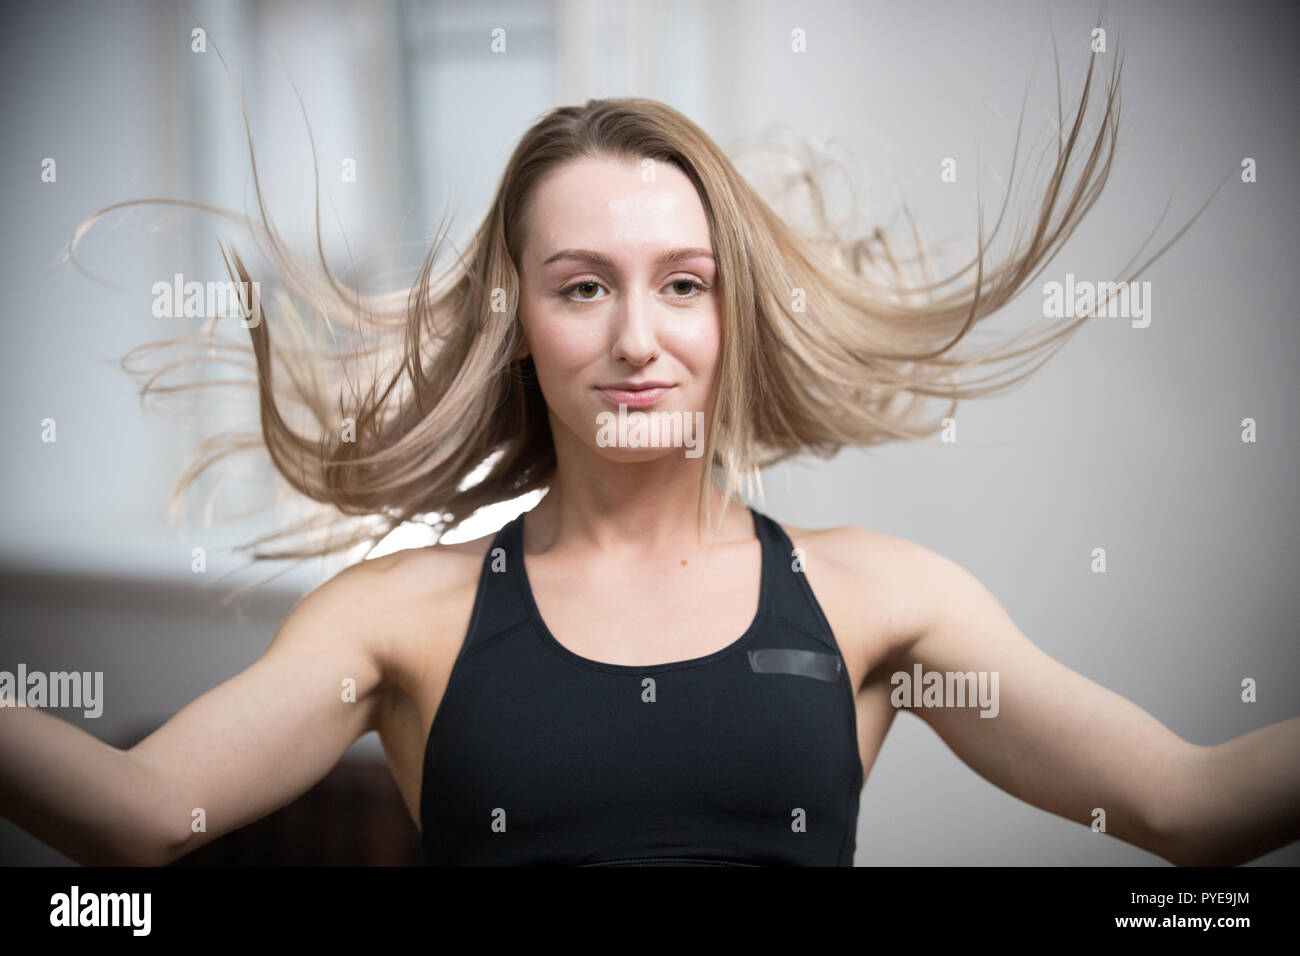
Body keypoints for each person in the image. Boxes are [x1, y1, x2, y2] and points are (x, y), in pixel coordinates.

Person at [3, 49, 1297, 867]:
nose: (639, 339)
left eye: (684, 284)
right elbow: (136, 818)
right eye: (580, 289)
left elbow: (1187, 806)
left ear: (733, 312)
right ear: (517, 323)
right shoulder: (398, 620)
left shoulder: (883, 603)